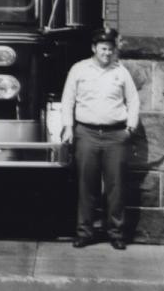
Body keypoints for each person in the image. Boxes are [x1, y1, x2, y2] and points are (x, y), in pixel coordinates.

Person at [59, 27, 140, 249]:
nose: (107, 53)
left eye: (110, 49)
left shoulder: (120, 72)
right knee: (87, 186)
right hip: (87, 134)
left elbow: (133, 101)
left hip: (116, 135)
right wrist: (68, 126)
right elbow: (68, 100)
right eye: (103, 48)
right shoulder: (79, 69)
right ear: (94, 48)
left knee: (116, 187)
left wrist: (130, 129)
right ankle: (85, 232)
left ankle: (116, 232)